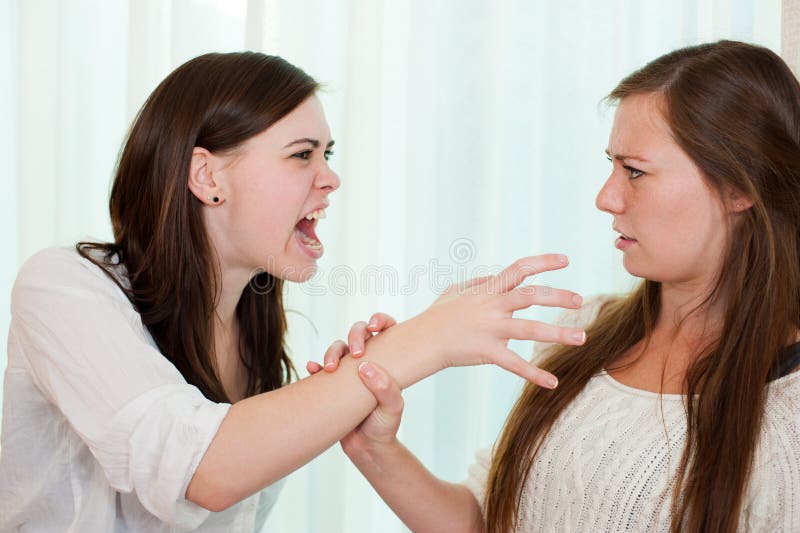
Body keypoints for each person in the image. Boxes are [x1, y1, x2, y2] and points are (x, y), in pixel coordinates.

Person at [0, 52, 588, 532]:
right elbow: (201, 468)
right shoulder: (64, 287)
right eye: (302, 154)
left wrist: (356, 390)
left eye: (326, 154)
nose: (330, 176)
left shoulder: (257, 337)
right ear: (207, 178)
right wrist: (422, 342)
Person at [333, 40, 800, 532]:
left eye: (635, 171)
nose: (606, 198)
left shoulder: (788, 415)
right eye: (611, 165)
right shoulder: (584, 329)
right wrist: (373, 444)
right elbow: (487, 521)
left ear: (740, 188)